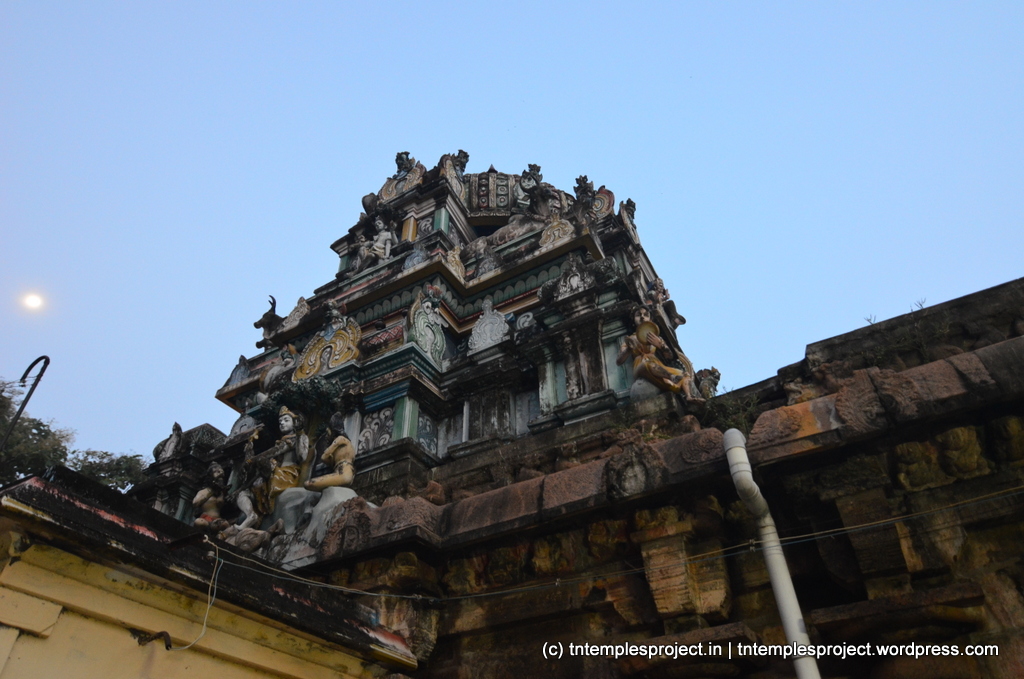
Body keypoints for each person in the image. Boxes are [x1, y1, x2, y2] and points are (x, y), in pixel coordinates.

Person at [617, 306, 700, 400]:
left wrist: (661, 345)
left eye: (646, 315)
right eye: (638, 315)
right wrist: (628, 350)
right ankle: (671, 377)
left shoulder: (656, 337)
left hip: (658, 366)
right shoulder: (631, 339)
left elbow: (669, 356)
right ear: (633, 320)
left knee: (685, 375)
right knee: (646, 364)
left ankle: (689, 396)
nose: (642, 317)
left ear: (650, 319)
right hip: (641, 367)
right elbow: (619, 361)